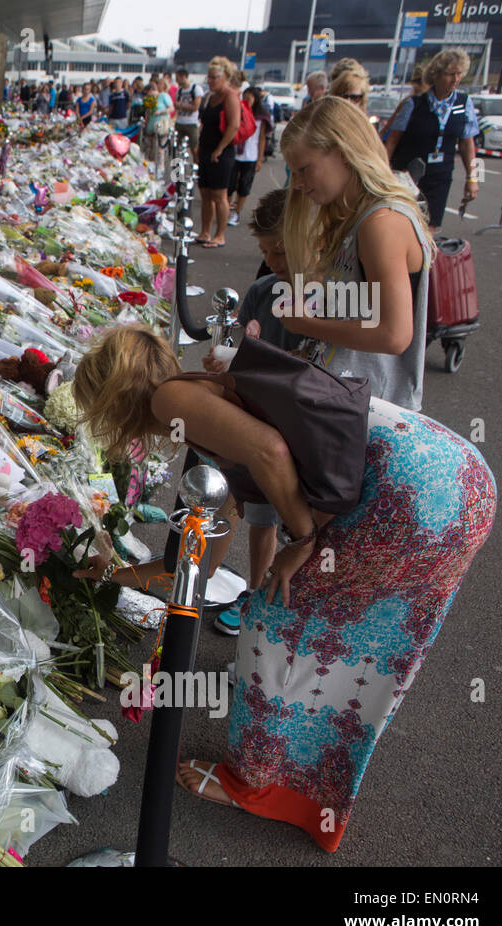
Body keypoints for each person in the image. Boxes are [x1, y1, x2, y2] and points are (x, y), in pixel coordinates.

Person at [71, 320, 496, 852]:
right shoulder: (208, 399)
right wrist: (113, 575)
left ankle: (254, 783)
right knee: (366, 647)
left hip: (406, 493)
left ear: (115, 395)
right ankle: (304, 792)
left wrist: (304, 537)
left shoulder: (170, 401)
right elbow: (197, 560)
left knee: (279, 624)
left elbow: (269, 451)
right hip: (456, 478)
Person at [281, 96, 433, 411]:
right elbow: (350, 313)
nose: (297, 184)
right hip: (343, 400)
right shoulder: (353, 218)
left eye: (304, 169)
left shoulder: (381, 223)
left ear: (342, 152)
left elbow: (393, 335)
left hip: (369, 413)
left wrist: (306, 324)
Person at [206, 190, 298, 636]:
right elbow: (242, 346)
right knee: (253, 509)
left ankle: (265, 596)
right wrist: (224, 360)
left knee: (292, 521)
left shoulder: (328, 297)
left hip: (297, 427)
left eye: (281, 249)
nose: (273, 259)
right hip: (257, 418)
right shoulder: (262, 291)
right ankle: (244, 587)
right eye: (265, 251)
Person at [385, 48, 480, 231]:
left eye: (459, 74)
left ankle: (424, 259)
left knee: (431, 224)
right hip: (407, 173)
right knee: (402, 223)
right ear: (436, 75)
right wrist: (383, 171)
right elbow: (392, 140)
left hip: (440, 174)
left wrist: (473, 178)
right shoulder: (413, 104)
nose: (455, 79)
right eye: (450, 74)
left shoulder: (464, 103)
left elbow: (468, 143)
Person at [196, 57, 241, 247]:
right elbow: (203, 123)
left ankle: (219, 234)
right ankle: (205, 231)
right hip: (205, 148)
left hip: (221, 152)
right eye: (209, 77)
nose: (211, 81)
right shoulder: (208, 97)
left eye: (215, 77)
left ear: (225, 78)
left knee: (219, 195)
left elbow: (234, 125)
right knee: (205, 193)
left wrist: (220, 149)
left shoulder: (230, 96)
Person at [227, 85, 269, 226]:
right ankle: (226, 210)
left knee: (244, 186)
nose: (245, 100)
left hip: (250, 155)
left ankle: (237, 212)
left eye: (248, 98)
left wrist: (259, 159)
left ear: (255, 99)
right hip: (235, 154)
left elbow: (262, 138)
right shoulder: (238, 111)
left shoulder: (261, 117)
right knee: (230, 185)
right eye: (243, 97)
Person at [379, 66, 428, 142]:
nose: (415, 85)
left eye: (419, 81)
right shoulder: (408, 102)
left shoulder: (432, 105)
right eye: (413, 82)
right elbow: (390, 124)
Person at [142, 76, 174, 170]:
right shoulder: (154, 96)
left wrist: (161, 112)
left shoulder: (164, 96)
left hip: (160, 125)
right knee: (149, 148)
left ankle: (160, 168)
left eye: (160, 84)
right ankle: (149, 166)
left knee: (160, 149)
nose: (158, 85)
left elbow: (171, 108)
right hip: (151, 125)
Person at [174, 67, 204, 163]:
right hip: (180, 122)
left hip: (191, 122)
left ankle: (196, 169)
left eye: (177, 78)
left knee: (194, 149)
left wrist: (181, 106)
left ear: (184, 77)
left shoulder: (196, 89)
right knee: (177, 148)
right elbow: (176, 105)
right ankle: (177, 169)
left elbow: (195, 107)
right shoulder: (179, 91)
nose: (176, 80)